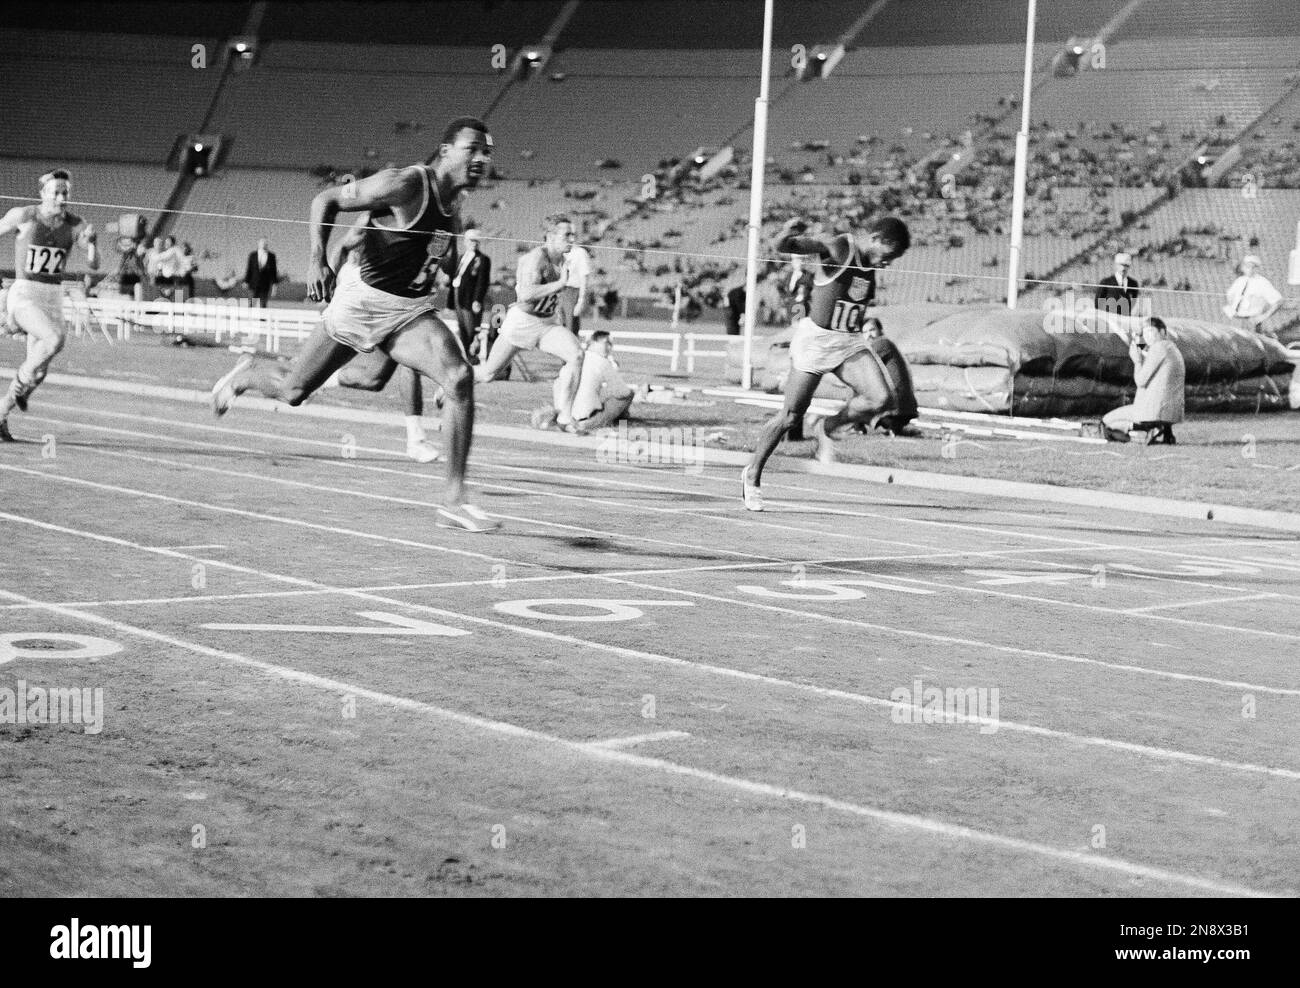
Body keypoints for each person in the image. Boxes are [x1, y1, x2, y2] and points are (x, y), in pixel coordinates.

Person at [210, 116, 498, 531]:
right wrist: (317, 259)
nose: (481, 158)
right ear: (447, 149)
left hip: (409, 310)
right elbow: (324, 200)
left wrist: (439, 258)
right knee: (293, 390)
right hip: (362, 303)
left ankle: (454, 501)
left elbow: (433, 247)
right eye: (473, 149)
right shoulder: (406, 183)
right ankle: (248, 374)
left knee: (457, 378)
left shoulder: (455, 206)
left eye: (487, 152)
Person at [741, 214, 911, 511]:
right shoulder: (839, 249)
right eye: (889, 255)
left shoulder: (870, 267)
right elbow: (784, 246)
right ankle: (753, 472)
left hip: (848, 342)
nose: (888, 264)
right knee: (790, 417)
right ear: (877, 240)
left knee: (881, 398)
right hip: (817, 341)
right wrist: (786, 232)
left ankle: (825, 426)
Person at [0, 169, 98, 442]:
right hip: (25, 293)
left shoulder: (76, 223)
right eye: (55, 191)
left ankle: (2, 413)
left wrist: (92, 245)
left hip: (53, 296)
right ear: (42, 193)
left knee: (39, 372)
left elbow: (94, 264)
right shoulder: (24, 215)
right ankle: (13, 391)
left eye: (65, 192)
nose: (60, 197)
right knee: (54, 340)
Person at [475, 214, 585, 431]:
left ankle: (565, 417)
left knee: (576, 355)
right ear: (550, 236)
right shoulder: (535, 259)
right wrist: (560, 284)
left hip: (547, 324)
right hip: (522, 323)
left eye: (573, 234)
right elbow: (525, 294)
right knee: (488, 373)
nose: (572, 239)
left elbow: (553, 296)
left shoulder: (563, 257)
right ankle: (452, 379)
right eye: (567, 234)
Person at [1102, 316, 1185, 444]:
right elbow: (1148, 352)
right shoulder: (1171, 349)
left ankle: (1149, 428)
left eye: (1151, 332)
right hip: (1171, 412)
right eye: (1145, 333)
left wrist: (1137, 361)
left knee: (1107, 421)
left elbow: (1141, 380)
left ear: (1162, 332)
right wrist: (1139, 346)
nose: (1148, 336)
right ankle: (1165, 431)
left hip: (1152, 412)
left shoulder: (1159, 348)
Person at [568, 330, 635, 430]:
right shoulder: (602, 362)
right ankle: (621, 421)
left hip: (568, 417)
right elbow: (623, 392)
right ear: (594, 342)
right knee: (629, 394)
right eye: (606, 343)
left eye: (611, 344)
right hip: (587, 419)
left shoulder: (579, 357)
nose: (610, 347)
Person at [449, 227, 491, 359]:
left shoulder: (483, 259)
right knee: (461, 327)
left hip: (470, 298)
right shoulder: (461, 257)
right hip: (457, 294)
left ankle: (472, 356)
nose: (474, 243)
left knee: (471, 328)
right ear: (465, 241)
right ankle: (464, 356)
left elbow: (482, 282)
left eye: (477, 241)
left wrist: (477, 299)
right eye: (471, 240)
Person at [1223, 255, 1283, 338]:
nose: (1250, 269)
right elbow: (1229, 296)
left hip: (1251, 321)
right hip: (1235, 320)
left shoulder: (1262, 283)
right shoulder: (1239, 281)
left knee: (1248, 346)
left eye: (1254, 267)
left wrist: (1263, 316)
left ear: (1258, 268)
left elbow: (1278, 301)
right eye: (1247, 266)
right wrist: (1231, 310)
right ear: (1243, 267)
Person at [558, 232, 591, 335]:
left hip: (572, 291)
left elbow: (584, 277)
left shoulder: (580, 253)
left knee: (570, 326)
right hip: (557, 290)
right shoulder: (559, 251)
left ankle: (571, 348)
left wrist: (581, 299)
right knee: (556, 325)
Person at [1094, 251, 1141, 318]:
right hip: (1109, 319)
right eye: (1121, 265)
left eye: (1126, 265)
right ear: (1116, 265)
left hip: (1125, 319)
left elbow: (1133, 301)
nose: (1123, 268)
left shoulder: (1133, 283)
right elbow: (1098, 302)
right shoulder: (1106, 282)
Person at [244, 237, 279, 308]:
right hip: (253, 284)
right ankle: (250, 318)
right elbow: (249, 269)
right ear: (258, 244)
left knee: (263, 305)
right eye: (262, 242)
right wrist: (246, 281)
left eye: (265, 243)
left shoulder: (272, 256)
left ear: (267, 244)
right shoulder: (252, 255)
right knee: (252, 304)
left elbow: (274, 271)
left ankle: (262, 319)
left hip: (265, 285)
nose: (263, 244)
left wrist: (274, 285)